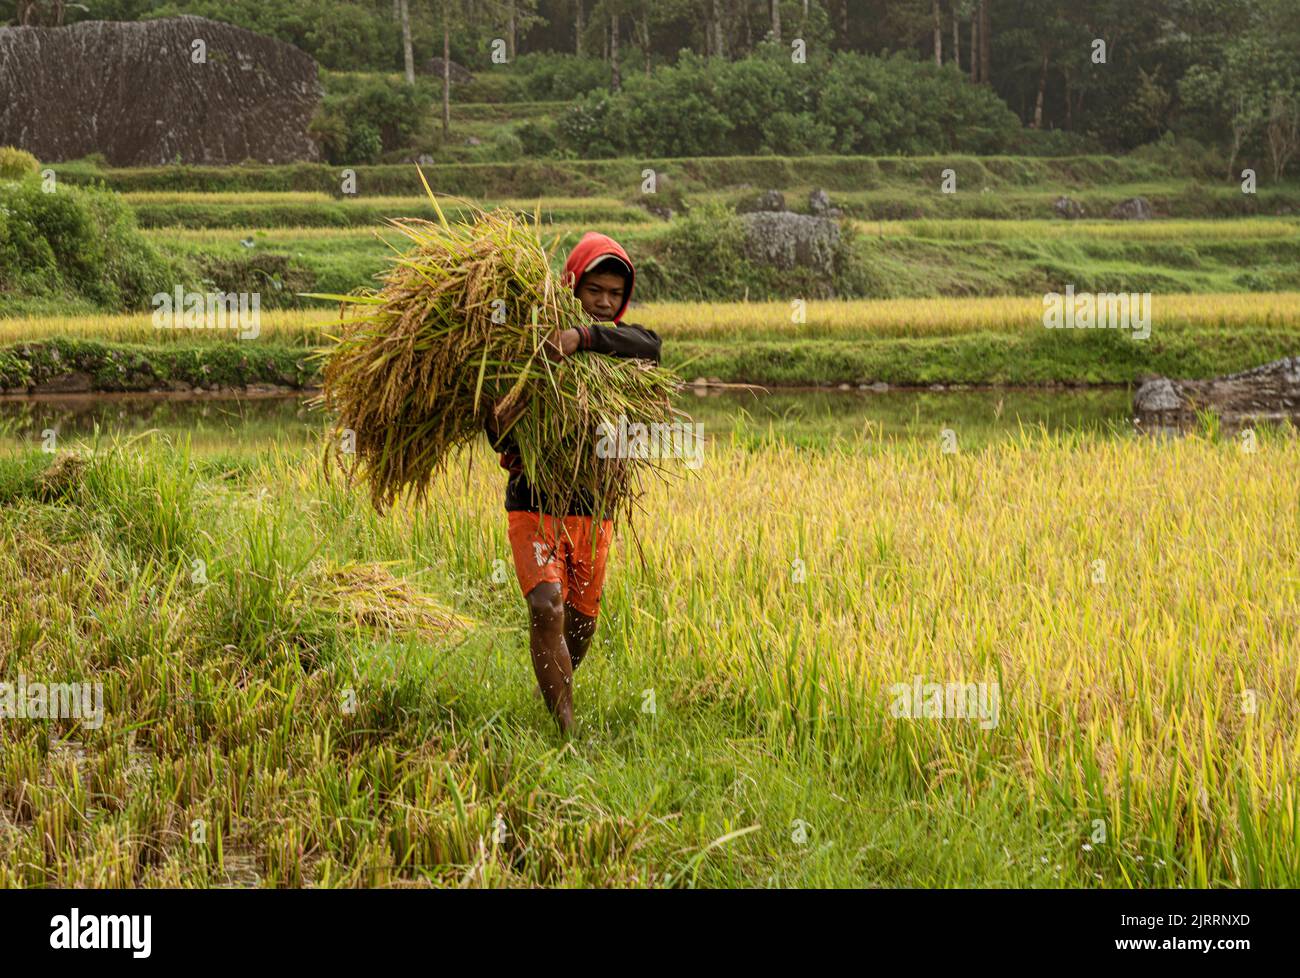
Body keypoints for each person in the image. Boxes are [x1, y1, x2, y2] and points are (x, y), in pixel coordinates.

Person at [484, 232, 661, 735]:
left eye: (613, 294)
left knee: (580, 623)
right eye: (593, 292)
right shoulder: (532, 350)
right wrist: (508, 417)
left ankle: (556, 680)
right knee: (546, 608)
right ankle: (566, 729)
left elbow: (654, 345)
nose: (603, 303)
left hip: (594, 507)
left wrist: (581, 339)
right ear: (571, 288)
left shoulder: (621, 349)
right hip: (534, 502)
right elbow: (497, 434)